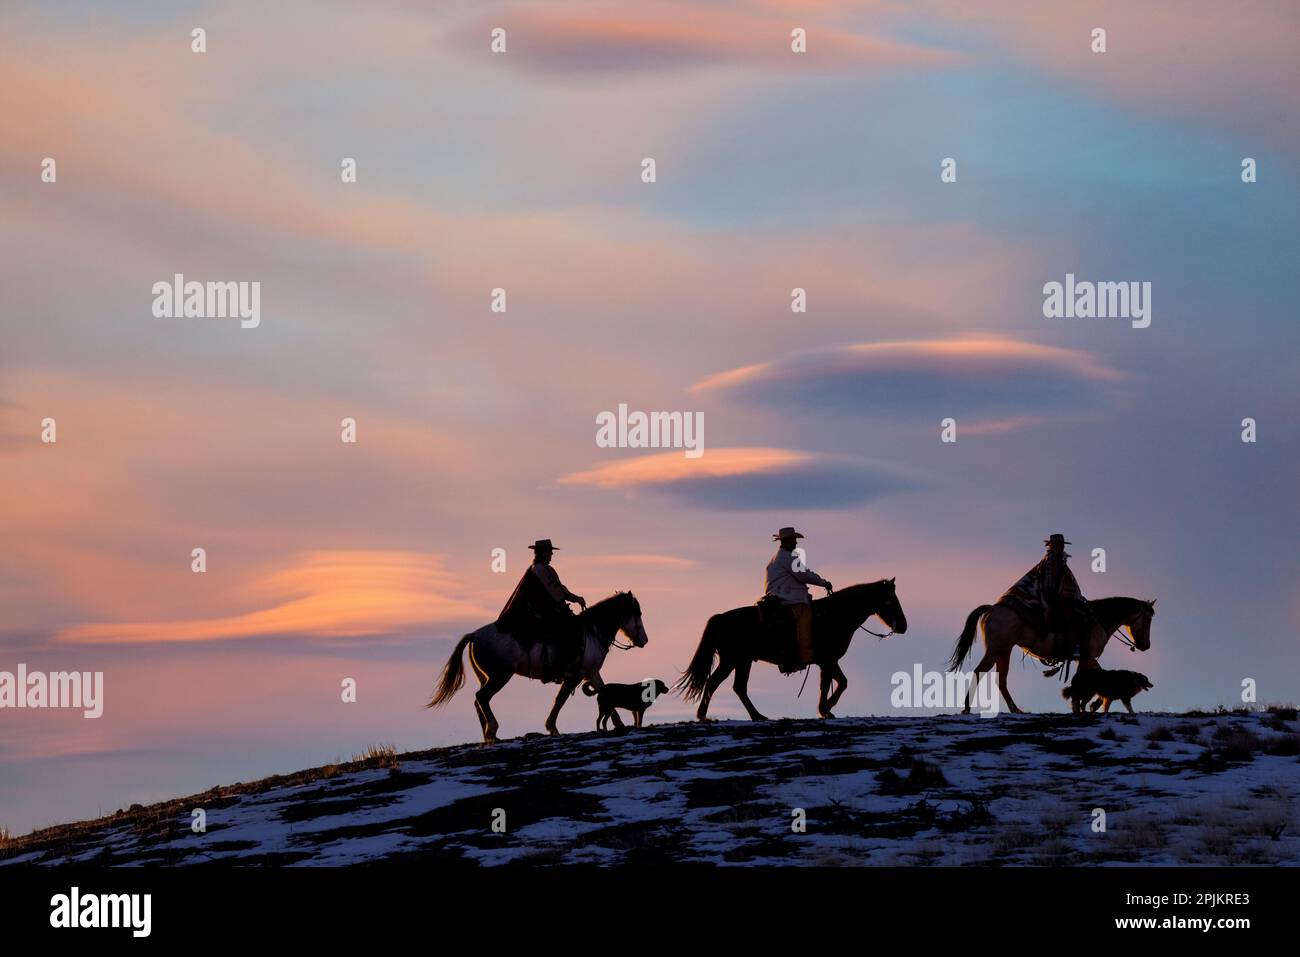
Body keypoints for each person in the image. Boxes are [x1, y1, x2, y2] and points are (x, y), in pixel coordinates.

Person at [496, 539, 587, 682]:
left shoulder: (537, 568)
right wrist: (576, 599)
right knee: (569, 631)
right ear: (543, 553)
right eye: (549, 552)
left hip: (538, 610)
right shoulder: (541, 569)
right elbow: (557, 591)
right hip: (539, 613)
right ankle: (560, 668)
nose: (551, 554)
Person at [1003, 533, 1093, 669]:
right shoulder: (1052, 559)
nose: (1061, 547)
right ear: (1053, 545)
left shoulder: (1058, 559)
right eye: (1059, 545)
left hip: (1052, 593)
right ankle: (1069, 647)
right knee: (1072, 616)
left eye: (1062, 545)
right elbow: (1051, 581)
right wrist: (1059, 595)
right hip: (1049, 594)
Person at [764, 526, 833, 673]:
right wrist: (823, 582)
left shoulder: (778, 558)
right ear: (787, 541)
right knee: (805, 618)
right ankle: (805, 656)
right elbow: (804, 575)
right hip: (789, 598)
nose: (796, 543)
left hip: (781, 595)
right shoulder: (787, 558)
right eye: (794, 540)